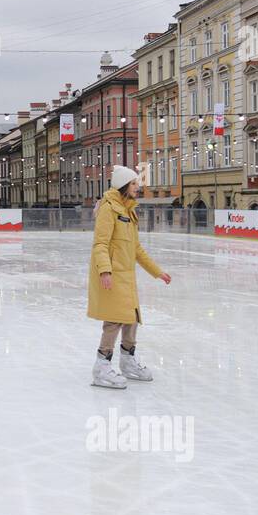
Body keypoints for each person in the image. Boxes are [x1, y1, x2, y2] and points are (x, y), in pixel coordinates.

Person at [87, 165, 171, 389]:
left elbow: (136, 249)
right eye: (134, 183)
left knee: (131, 318)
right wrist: (105, 271)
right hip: (113, 274)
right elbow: (100, 244)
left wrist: (157, 272)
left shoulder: (128, 211)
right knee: (113, 320)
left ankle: (127, 359)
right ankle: (102, 367)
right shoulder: (109, 208)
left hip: (126, 276)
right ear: (124, 185)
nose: (138, 187)